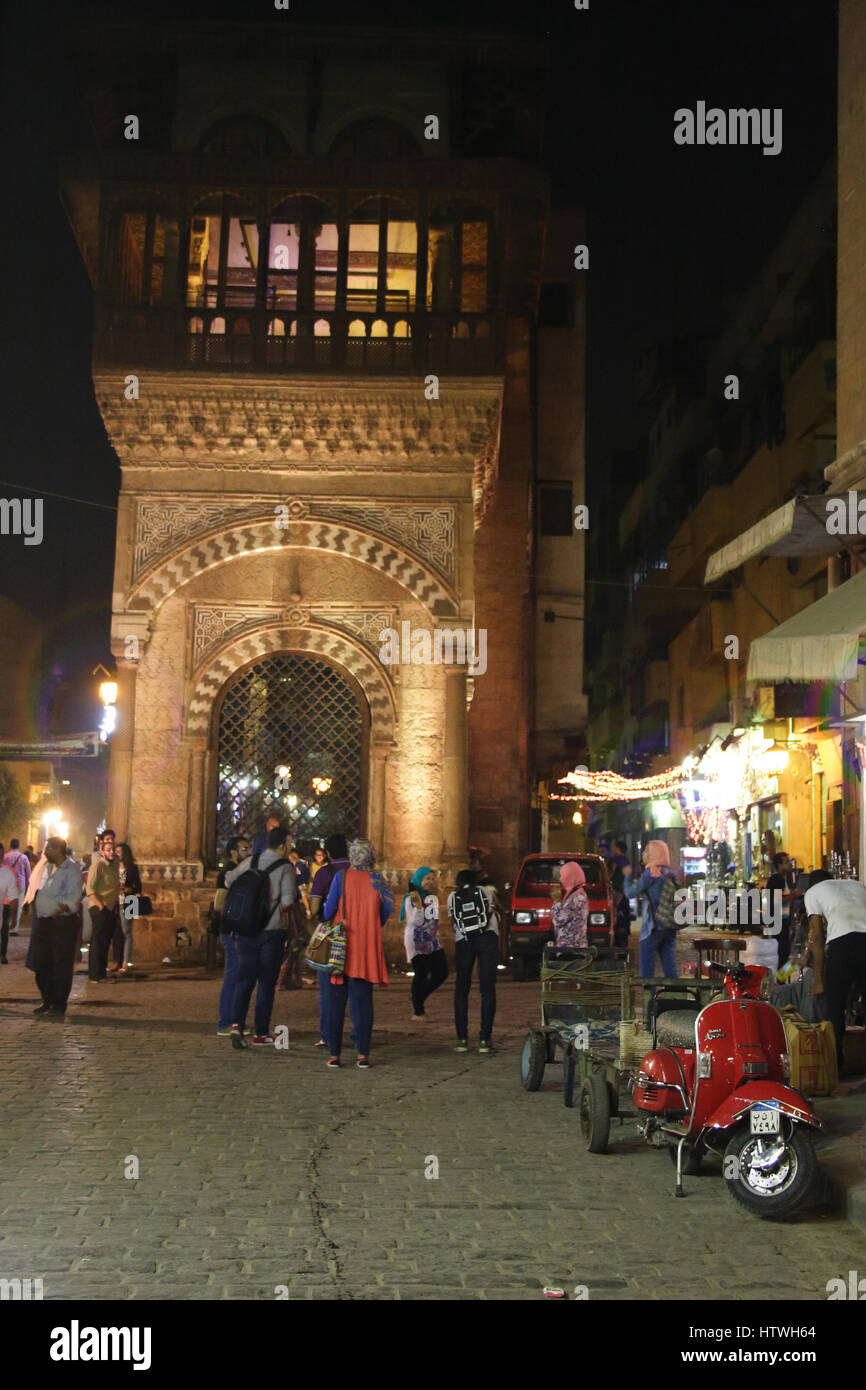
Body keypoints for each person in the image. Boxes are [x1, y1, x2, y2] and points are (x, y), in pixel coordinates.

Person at [321, 838, 393, 1068]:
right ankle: (362, 1054)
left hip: (341, 948)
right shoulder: (378, 881)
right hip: (365, 949)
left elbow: (329, 909)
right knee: (362, 1003)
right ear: (371, 855)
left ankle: (334, 1054)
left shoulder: (340, 878)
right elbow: (385, 912)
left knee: (335, 1002)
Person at [225, 826, 297, 1049]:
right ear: (283, 845)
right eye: (290, 842)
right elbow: (287, 902)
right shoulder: (286, 868)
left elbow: (228, 880)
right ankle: (262, 1032)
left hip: (245, 930)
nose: (291, 847)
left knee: (244, 979)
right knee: (266, 982)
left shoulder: (250, 861)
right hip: (271, 932)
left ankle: (236, 1024)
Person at [803, 868, 866, 1073]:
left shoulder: (812, 892)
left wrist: (819, 980)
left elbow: (818, 936)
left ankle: (836, 1065)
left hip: (843, 946)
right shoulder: (856, 885)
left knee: (835, 1007)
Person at [31, 836, 84, 1018]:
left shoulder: (72, 870)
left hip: (62, 923)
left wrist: (57, 906)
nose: (44, 852)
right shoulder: (47, 868)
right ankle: (47, 999)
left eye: (47, 849)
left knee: (61, 965)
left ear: (56, 849)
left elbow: (73, 899)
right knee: (40, 963)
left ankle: (58, 1003)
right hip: (45, 923)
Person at [448, 867, 499, 1054]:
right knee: (487, 989)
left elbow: (454, 922)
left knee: (462, 988)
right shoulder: (485, 892)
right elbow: (492, 911)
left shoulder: (452, 896)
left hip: (464, 941)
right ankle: (485, 1040)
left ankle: (462, 1039)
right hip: (488, 938)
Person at [310, 834, 350, 1047]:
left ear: (328, 853)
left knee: (328, 989)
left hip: (332, 935)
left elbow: (316, 908)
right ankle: (357, 1033)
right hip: (355, 934)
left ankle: (328, 1035)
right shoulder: (357, 873)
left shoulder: (324, 874)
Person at [213, 836, 250, 1037]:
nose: (249, 852)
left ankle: (236, 1020)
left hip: (238, 929)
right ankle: (226, 1021)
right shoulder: (227, 872)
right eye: (244, 849)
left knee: (239, 976)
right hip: (230, 930)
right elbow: (219, 903)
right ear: (234, 852)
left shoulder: (241, 871)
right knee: (232, 975)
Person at [401, 866, 448, 1020]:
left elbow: (433, 920)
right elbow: (416, 921)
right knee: (421, 973)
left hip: (432, 940)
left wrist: (437, 936)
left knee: (441, 972)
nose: (430, 882)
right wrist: (419, 906)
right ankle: (418, 1010)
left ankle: (418, 997)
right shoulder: (410, 898)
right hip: (416, 939)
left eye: (432, 879)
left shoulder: (430, 897)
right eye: (427, 878)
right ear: (419, 880)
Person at [627, 839, 678, 979]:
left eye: (646, 851)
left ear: (654, 854)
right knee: (670, 969)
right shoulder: (670, 873)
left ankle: (650, 1000)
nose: (643, 854)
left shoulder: (650, 874)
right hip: (669, 926)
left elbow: (630, 893)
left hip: (652, 928)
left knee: (647, 972)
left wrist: (627, 877)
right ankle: (676, 998)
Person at [85, 832, 121, 982]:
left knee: (105, 941)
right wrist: (101, 907)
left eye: (113, 849)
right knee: (98, 941)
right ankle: (95, 974)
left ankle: (102, 972)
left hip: (111, 908)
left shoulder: (114, 866)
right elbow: (90, 889)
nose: (111, 852)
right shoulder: (98, 865)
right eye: (108, 850)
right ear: (102, 851)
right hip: (100, 907)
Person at [764, 851, 802, 972]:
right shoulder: (777, 879)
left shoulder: (782, 879)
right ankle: (779, 981)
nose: (790, 864)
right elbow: (776, 900)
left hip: (782, 921)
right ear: (779, 866)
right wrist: (794, 896)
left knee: (784, 952)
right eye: (786, 862)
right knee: (782, 952)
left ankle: (781, 979)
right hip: (778, 921)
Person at [114, 842, 142, 975]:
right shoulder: (113, 867)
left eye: (119, 851)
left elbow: (139, 887)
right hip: (116, 900)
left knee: (127, 931)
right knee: (118, 932)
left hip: (130, 900)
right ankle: (117, 961)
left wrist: (130, 888)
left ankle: (125, 962)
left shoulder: (132, 868)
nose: (116, 854)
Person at [551, 860, 589, 949]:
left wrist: (557, 901)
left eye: (562, 876)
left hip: (571, 948)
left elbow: (558, 920)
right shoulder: (578, 895)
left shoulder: (575, 899)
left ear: (570, 877)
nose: (561, 879)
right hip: (575, 946)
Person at [3, 838, 31, 935]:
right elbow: (28, 873)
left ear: (10, 845)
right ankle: (14, 929)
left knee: (6, 906)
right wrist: (28, 886)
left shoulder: (5, 856)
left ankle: (5, 926)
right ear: (18, 846)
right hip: (20, 885)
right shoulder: (23, 857)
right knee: (18, 907)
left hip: (6, 884)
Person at [0, 854, 20, 964]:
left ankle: (2, 954)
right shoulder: (8, 873)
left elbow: (13, 898)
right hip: (6, 905)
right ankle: (2, 954)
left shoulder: (7, 873)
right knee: (4, 931)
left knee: (4, 930)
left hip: (5, 906)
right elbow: (14, 899)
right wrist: (14, 918)